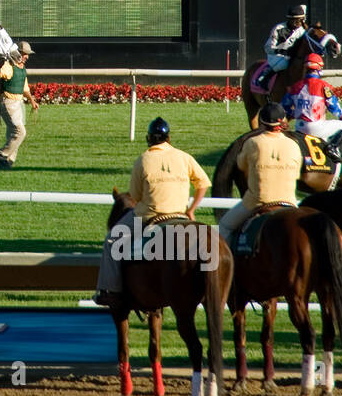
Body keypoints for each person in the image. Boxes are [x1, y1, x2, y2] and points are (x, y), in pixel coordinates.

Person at [93, 117, 211, 307]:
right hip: (180, 215)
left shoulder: (143, 159)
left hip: (148, 217)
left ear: (149, 139)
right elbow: (203, 183)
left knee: (111, 241)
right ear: (168, 138)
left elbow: (135, 197)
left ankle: (110, 292)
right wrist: (191, 210)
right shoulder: (184, 157)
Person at [216, 103, 305, 241]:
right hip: (290, 201)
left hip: (257, 201)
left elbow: (242, 167)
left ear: (261, 121)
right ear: (282, 120)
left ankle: (229, 262)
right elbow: (296, 173)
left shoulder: (252, 142)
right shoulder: (294, 144)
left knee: (224, 226)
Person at [283, 52, 342, 149]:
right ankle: (332, 149)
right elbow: (333, 106)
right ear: (319, 68)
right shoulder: (324, 86)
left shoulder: (295, 86)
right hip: (316, 127)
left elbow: (284, 106)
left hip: (299, 127)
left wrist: (293, 114)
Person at [0, 40, 39, 169]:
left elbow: (25, 88)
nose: (27, 57)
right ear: (18, 53)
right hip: (8, 102)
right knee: (20, 132)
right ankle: (1, 155)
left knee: (13, 134)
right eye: (25, 54)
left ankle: (8, 161)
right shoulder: (8, 65)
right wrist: (1, 64)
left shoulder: (22, 68)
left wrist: (32, 101)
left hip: (18, 103)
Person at [253, 4, 309, 90]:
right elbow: (268, 48)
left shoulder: (303, 31)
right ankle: (264, 78)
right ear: (290, 19)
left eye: (301, 20)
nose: (299, 23)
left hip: (294, 58)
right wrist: (281, 51)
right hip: (278, 56)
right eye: (296, 20)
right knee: (284, 63)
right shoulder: (279, 28)